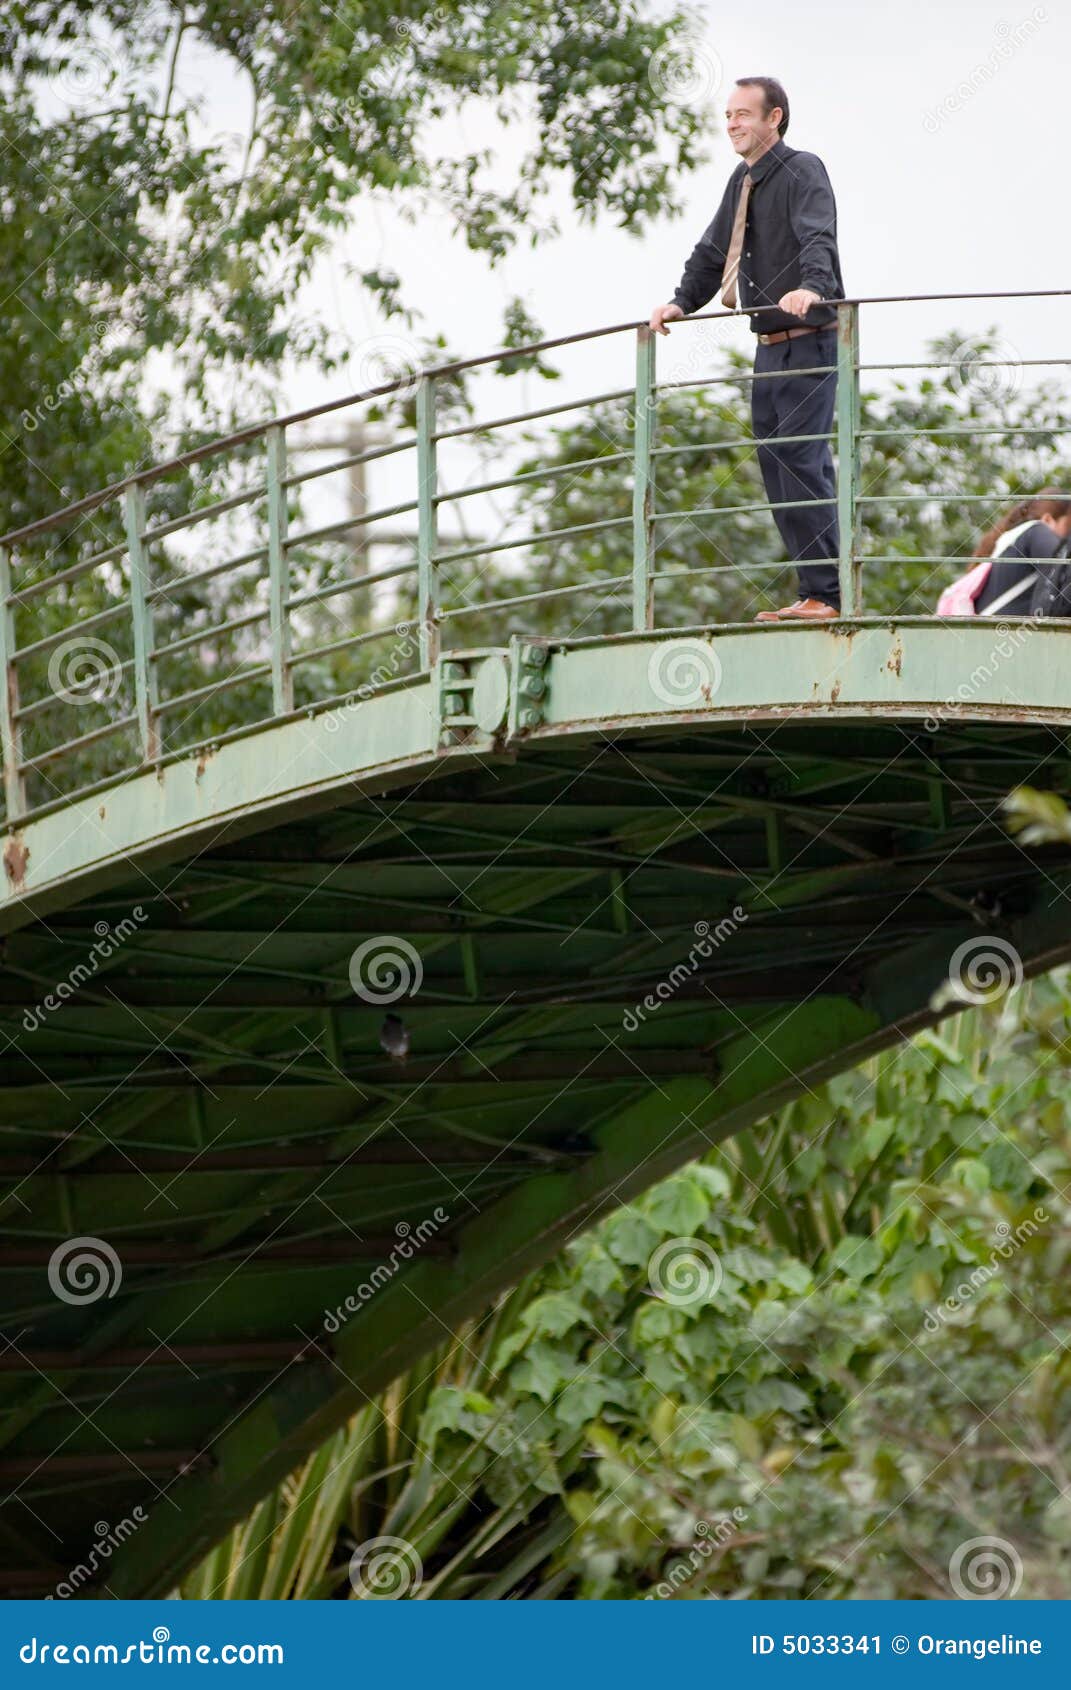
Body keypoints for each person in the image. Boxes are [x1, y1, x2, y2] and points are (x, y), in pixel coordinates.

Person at [650, 75, 844, 622]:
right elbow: (714, 249)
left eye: (743, 114)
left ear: (774, 117)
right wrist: (680, 302)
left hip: (811, 338)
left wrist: (813, 287)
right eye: (728, 116)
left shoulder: (802, 169)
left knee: (803, 458)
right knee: (776, 463)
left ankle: (828, 595)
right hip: (767, 344)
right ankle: (813, 591)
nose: (732, 124)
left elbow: (816, 236)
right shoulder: (743, 180)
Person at [972, 493, 1071, 616]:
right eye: (1067, 527)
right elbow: (1062, 573)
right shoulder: (1038, 531)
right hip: (1006, 628)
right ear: (1048, 520)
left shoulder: (1011, 539)